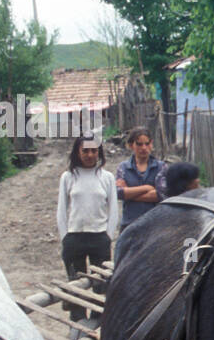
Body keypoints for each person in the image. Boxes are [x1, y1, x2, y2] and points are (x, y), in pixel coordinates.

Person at [56, 135, 119, 321]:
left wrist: (108, 235)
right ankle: (78, 326)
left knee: (100, 286)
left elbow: (114, 209)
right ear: (78, 152)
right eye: (85, 151)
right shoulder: (68, 177)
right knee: (76, 286)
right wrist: (65, 236)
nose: (90, 155)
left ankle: (97, 326)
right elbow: (61, 210)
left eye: (94, 151)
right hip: (74, 238)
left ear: (99, 152)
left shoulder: (106, 177)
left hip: (99, 238)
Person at [115, 127, 167, 230]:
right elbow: (118, 193)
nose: (144, 148)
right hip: (129, 224)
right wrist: (147, 188)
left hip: (154, 224)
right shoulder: (123, 168)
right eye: (139, 144)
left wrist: (129, 194)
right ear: (131, 145)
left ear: (151, 144)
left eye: (147, 144)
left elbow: (161, 194)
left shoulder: (161, 167)